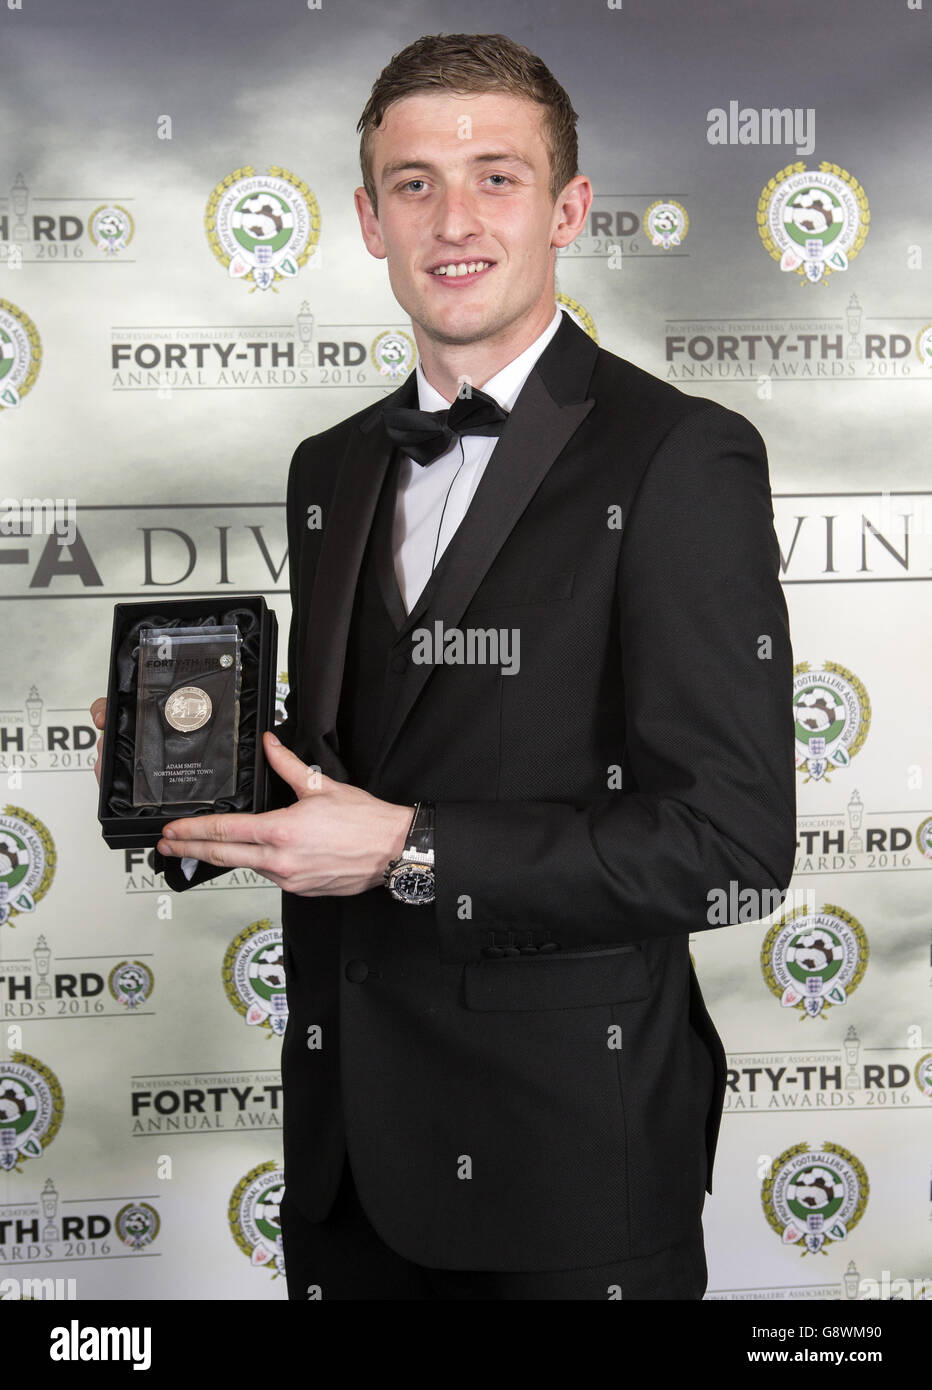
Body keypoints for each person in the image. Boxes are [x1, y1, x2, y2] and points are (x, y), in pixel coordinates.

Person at [92, 32, 795, 1300]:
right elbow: (369, 766)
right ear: (368, 219)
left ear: (567, 208)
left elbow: (728, 846)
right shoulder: (336, 462)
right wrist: (191, 777)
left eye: (495, 176)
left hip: (563, 1166)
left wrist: (411, 852)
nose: (452, 218)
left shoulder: (679, 457)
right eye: (412, 182)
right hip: (346, 1160)